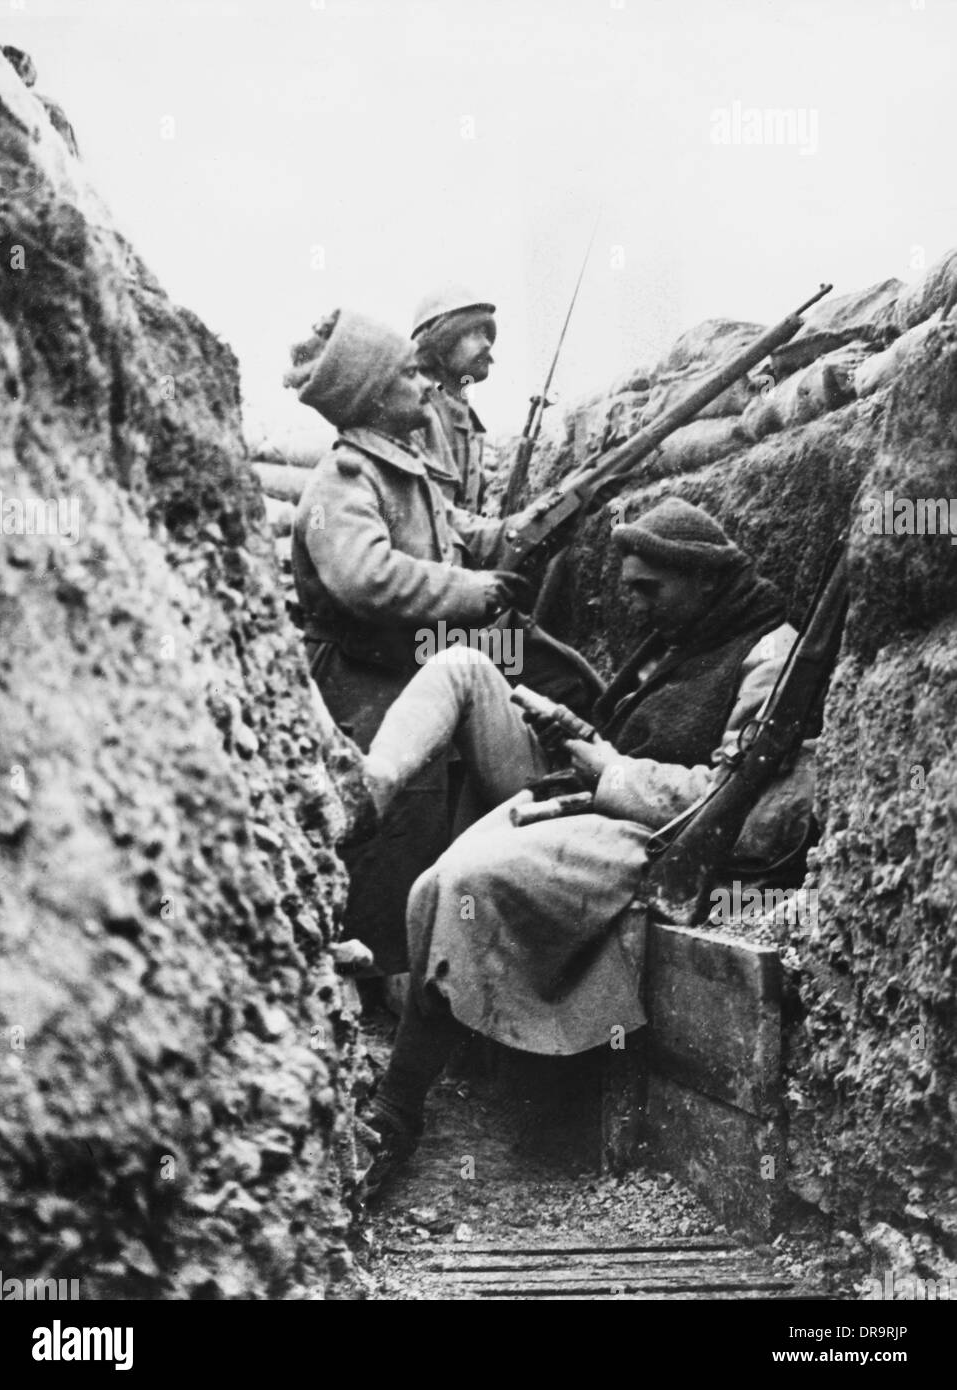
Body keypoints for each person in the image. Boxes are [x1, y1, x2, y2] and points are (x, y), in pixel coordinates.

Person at [359, 497, 815, 1186]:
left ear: (705, 579)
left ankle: (396, 1112)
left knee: (463, 883)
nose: (634, 606)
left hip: (657, 834)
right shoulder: (684, 635)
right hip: (604, 796)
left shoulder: (767, 654)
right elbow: (648, 736)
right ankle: (365, 793)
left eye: (647, 589)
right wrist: (580, 737)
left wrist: (611, 772)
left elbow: (739, 805)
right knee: (437, 854)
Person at [283, 309, 531, 972]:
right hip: (353, 684)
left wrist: (523, 529)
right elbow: (366, 579)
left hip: (400, 676)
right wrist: (470, 592)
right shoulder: (346, 479)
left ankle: (396, 982)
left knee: (417, 827)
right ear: (373, 394)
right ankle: (361, 989)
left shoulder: (400, 472)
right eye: (411, 373)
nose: (427, 384)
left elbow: (458, 531)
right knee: (377, 828)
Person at [411, 287, 496, 513]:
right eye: (473, 332)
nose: (487, 344)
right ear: (439, 343)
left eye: (486, 333)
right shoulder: (416, 415)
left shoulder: (466, 419)